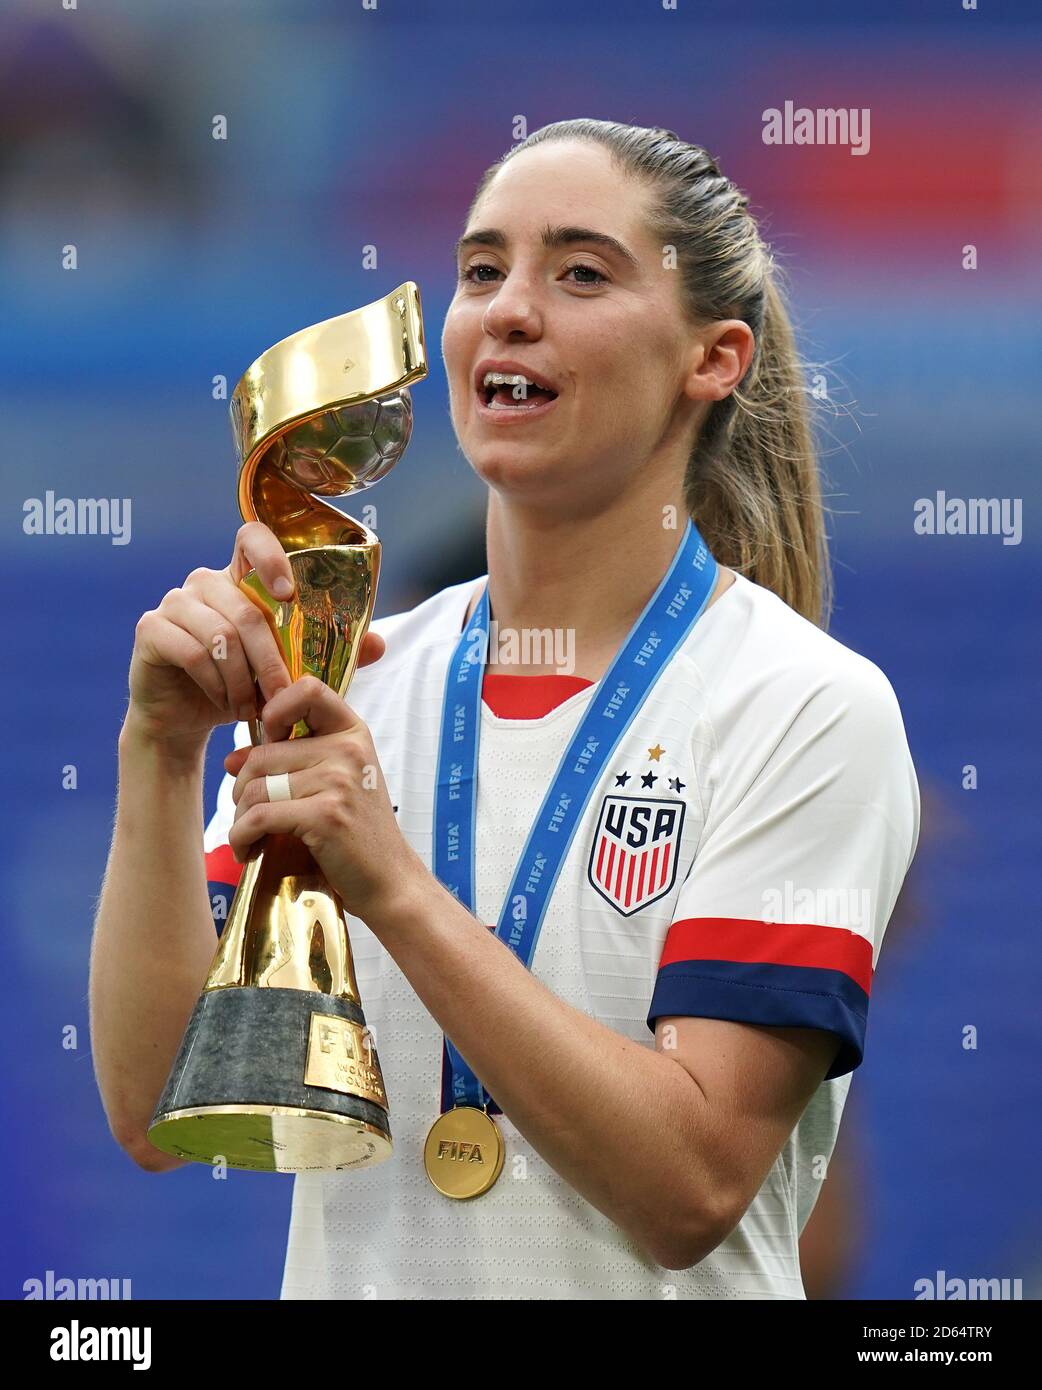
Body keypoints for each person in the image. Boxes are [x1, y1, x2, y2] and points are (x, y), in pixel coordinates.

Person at [90, 118, 920, 1300]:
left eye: (581, 272)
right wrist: (161, 750)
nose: (509, 309)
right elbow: (159, 1110)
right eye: (483, 270)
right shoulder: (355, 675)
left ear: (713, 357)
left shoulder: (801, 705)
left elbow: (689, 1185)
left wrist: (397, 893)